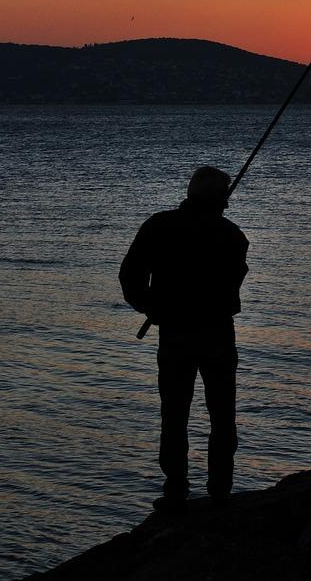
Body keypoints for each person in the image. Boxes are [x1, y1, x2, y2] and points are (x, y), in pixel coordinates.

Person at [119, 166, 249, 511]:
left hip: (175, 335)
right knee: (222, 415)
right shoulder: (232, 235)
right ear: (219, 198)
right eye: (224, 196)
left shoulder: (158, 226)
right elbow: (233, 282)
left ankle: (176, 489)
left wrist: (150, 306)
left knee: (174, 415)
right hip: (217, 335)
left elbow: (129, 277)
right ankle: (220, 490)